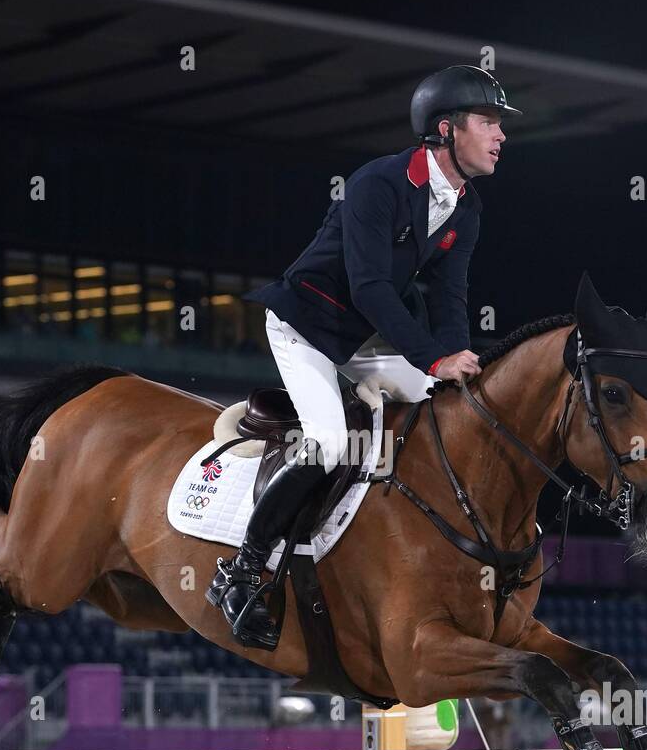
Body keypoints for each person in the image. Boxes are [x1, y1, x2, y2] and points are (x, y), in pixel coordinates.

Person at [207, 65, 520, 649]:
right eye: (488, 122)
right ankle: (243, 570)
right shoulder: (377, 184)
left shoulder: (467, 207)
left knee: (455, 415)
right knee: (327, 445)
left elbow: (449, 295)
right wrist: (433, 360)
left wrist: (459, 360)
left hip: (366, 338)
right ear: (446, 130)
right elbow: (371, 287)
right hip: (307, 326)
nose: (500, 136)